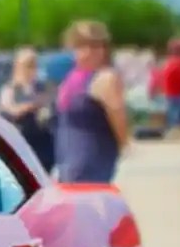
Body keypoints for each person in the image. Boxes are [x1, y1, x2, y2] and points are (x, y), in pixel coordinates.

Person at [55, 20, 129, 184]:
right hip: (67, 158)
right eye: (81, 46)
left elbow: (118, 116)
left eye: (95, 46)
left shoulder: (105, 77)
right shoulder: (71, 77)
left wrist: (123, 145)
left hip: (91, 157)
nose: (88, 52)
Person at [0, 48, 55, 171]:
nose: (31, 70)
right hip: (20, 144)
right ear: (17, 67)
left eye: (33, 65)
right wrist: (29, 106)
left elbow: (50, 107)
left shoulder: (42, 87)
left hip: (42, 146)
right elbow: (10, 109)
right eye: (27, 66)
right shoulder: (10, 89)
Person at [158, 40, 180, 134]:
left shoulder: (170, 62)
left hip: (173, 92)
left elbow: (166, 77)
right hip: (178, 92)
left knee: (174, 111)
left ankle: (176, 128)